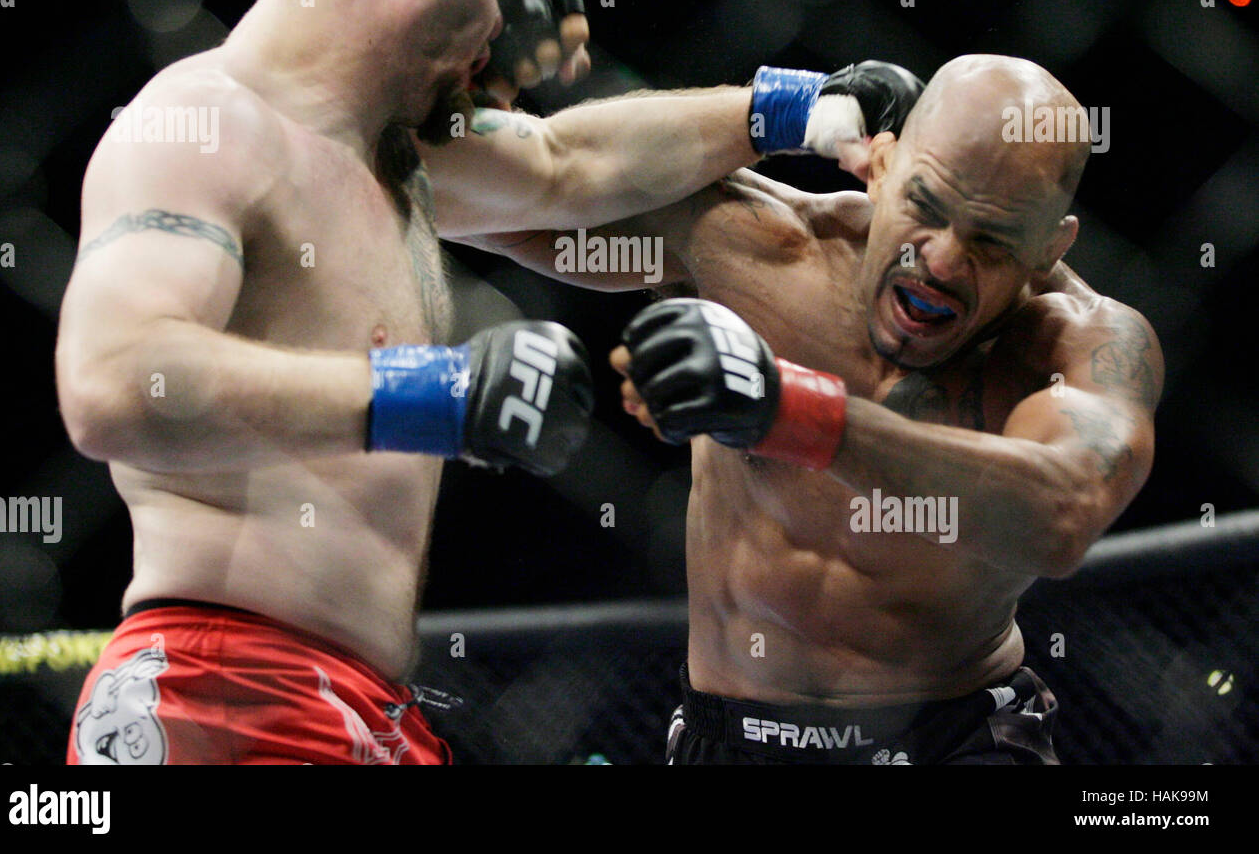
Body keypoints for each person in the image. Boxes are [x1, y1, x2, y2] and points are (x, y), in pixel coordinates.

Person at [55, 0, 911, 765]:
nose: (510, 18)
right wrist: (439, 393)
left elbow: (565, 164)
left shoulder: (392, 157)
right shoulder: (206, 123)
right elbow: (114, 380)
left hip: (359, 703)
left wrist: (796, 107)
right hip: (224, 692)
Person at [474, 54, 1163, 764]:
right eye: (927, 206)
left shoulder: (1077, 343)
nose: (945, 262)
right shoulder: (754, 248)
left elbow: (1061, 514)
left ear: (1052, 243)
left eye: (992, 239)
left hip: (956, 741)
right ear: (879, 163)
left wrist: (785, 412)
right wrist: (782, 108)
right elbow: (490, 191)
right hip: (728, 736)